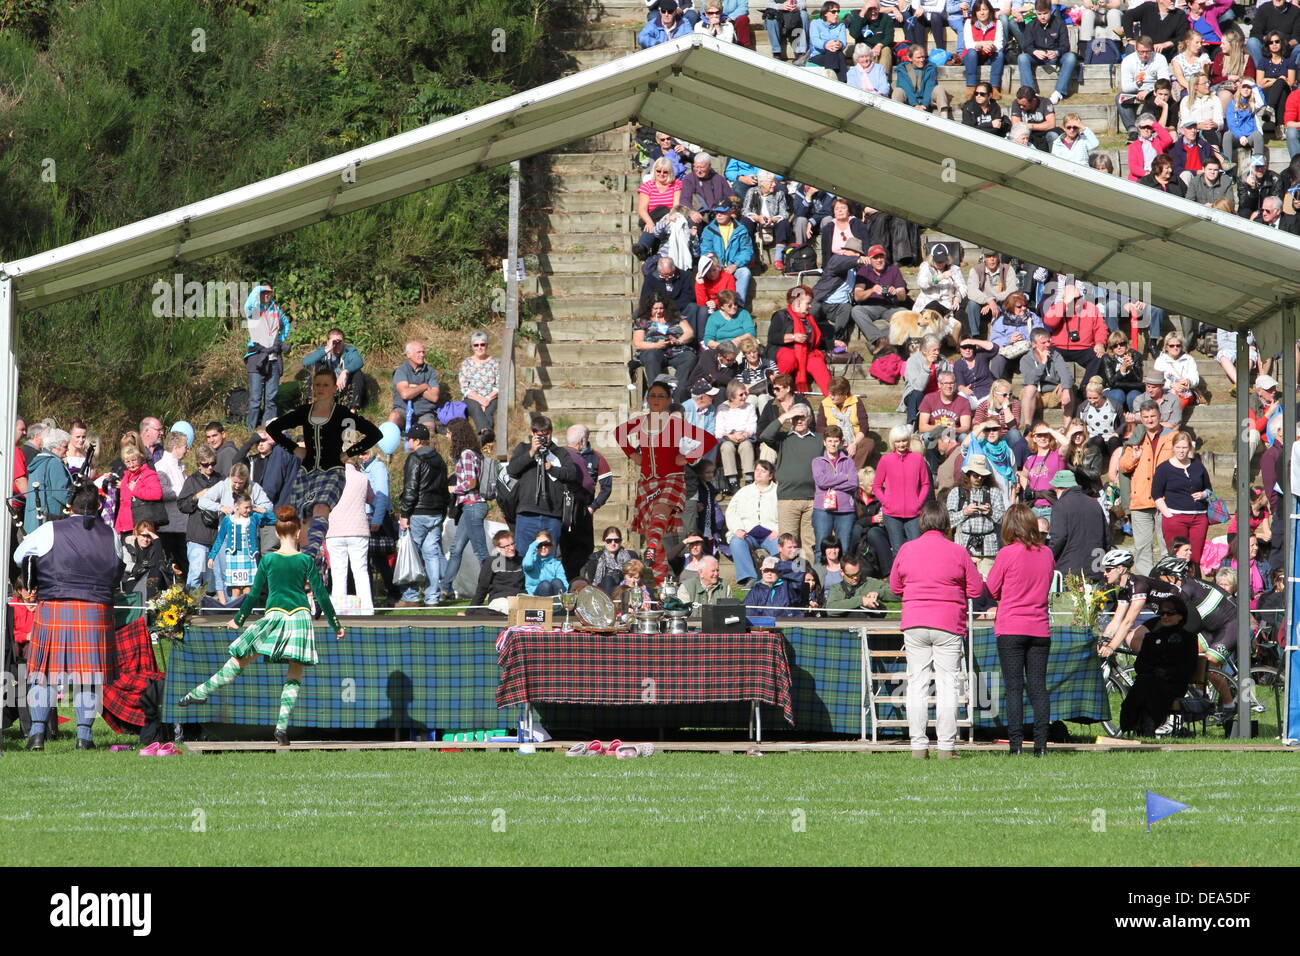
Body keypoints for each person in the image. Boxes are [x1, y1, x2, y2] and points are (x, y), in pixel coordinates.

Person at [179, 505, 343, 746]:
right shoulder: (306, 560)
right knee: (294, 675)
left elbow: (254, 594)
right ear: (298, 532)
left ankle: (200, 692)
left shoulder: (269, 560)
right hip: (299, 619)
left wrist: (238, 619)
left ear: (277, 533)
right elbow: (321, 594)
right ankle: (281, 728)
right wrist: (335, 624)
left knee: (239, 659)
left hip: (274, 617)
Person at [16, 486, 124, 750]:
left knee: (44, 674)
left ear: (70, 507)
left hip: (54, 606)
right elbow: (122, 566)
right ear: (99, 508)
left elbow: (21, 556)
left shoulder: (50, 529)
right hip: (96, 612)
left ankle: (37, 736)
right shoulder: (111, 534)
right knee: (89, 677)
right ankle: (84, 738)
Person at [890, 500, 984, 759]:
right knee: (947, 686)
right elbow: (976, 590)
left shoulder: (907, 549)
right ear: (945, 522)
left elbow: (895, 587)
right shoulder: (958, 552)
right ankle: (946, 746)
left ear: (922, 522)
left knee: (917, 684)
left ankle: (918, 746)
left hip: (915, 622)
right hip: (947, 623)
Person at [268, 365, 383, 559]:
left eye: (325, 384)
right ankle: (309, 559)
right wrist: (294, 448)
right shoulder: (305, 412)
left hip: (332, 470)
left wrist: (349, 454)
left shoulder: (340, 414)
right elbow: (274, 429)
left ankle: (312, 552)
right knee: (303, 517)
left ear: (334, 388)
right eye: (317, 385)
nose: (320, 388)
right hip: (307, 470)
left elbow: (374, 433)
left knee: (321, 506)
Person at [614, 382, 718, 583]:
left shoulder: (678, 426)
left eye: (661, 398)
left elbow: (709, 440)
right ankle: (662, 587)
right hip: (647, 482)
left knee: (661, 511)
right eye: (653, 397)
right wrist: (635, 456)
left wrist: (686, 458)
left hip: (672, 478)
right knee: (660, 533)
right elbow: (619, 433)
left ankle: (652, 548)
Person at [986, 502, 1056, 755]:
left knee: (1014, 687)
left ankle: (1015, 745)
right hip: (1039, 627)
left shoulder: (1007, 553)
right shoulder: (1046, 553)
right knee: (1038, 686)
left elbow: (992, 588)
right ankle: (1041, 745)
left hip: (1011, 626)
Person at [1119, 595, 1198, 735]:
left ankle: (1143, 726)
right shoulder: (1152, 637)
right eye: (1162, 613)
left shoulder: (1188, 638)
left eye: (1170, 613)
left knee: (1149, 686)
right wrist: (1154, 671)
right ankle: (1139, 726)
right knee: (1145, 684)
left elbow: (1188, 666)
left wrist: (1166, 673)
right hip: (1150, 680)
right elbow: (1140, 665)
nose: (1165, 616)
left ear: (1180, 616)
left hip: (1174, 683)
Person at [759, 402, 824, 562]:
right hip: (788, 499)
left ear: (809, 419)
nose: (799, 421)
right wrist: (785, 416)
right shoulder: (782, 439)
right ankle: (792, 579)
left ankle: (808, 581)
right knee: (790, 544)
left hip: (813, 498)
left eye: (802, 417)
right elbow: (765, 435)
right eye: (795, 417)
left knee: (809, 543)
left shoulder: (819, 440)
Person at [395, 423, 449, 608]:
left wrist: (404, 514)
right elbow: (444, 490)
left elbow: (411, 489)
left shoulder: (415, 459)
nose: (407, 441)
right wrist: (442, 514)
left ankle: (411, 597)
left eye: (409, 438)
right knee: (432, 555)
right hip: (435, 513)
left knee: (410, 553)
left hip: (417, 512)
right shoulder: (439, 459)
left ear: (417, 440)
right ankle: (432, 597)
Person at [1119, 401, 1175, 573]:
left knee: (1167, 546)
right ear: (1141, 419)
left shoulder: (1172, 437)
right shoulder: (1136, 438)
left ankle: (1168, 583)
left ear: (1160, 416)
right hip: (1141, 500)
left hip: (1165, 500)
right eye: (1146, 417)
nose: (1150, 420)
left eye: (1153, 416)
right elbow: (1123, 466)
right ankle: (1146, 584)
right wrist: (1134, 458)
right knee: (1142, 547)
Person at [1152, 430, 1211, 570]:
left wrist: (1203, 495)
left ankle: (1194, 587)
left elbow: (1209, 490)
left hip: (1199, 518)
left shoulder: (1198, 466)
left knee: (1195, 558)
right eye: (1178, 447)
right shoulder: (1164, 469)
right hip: (1175, 518)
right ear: (1173, 447)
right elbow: (1156, 495)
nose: (1181, 451)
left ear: (1190, 448)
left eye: (1184, 447)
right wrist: (1169, 515)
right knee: (1177, 558)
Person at [325, 454, 375, 615]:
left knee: (338, 572)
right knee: (361, 571)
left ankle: (340, 609)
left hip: (335, 529)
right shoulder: (362, 477)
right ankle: (367, 609)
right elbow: (371, 499)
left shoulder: (329, 476)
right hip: (358, 529)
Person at [875, 424, 931, 556]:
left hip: (914, 514)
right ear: (893, 442)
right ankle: (898, 577)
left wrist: (918, 503)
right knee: (898, 551)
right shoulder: (885, 460)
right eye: (898, 441)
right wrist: (886, 502)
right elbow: (876, 486)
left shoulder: (918, 459)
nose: (901, 444)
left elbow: (926, 484)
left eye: (904, 440)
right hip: (892, 514)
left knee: (917, 550)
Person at [208, 494, 272, 605]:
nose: (249, 510)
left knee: (248, 588)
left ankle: (249, 615)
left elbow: (272, 519)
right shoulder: (228, 519)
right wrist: (211, 557)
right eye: (246, 507)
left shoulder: (254, 517)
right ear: (237, 506)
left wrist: (260, 510)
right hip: (234, 556)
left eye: (250, 507)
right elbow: (219, 539)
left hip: (249, 556)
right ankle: (235, 614)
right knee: (236, 590)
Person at [768, 285, 832, 396]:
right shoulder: (781, 315)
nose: (810, 306)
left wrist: (832, 343)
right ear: (797, 302)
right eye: (808, 303)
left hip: (806, 352)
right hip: (784, 350)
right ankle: (774, 388)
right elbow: (772, 337)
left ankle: (832, 396)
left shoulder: (809, 319)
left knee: (817, 362)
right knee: (789, 358)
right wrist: (793, 337)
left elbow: (813, 341)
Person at [726, 458, 781, 586]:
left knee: (781, 544)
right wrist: (737, 529)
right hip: (748, 534)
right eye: (757, 470)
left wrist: (779, 529)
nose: (758, 473)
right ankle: (749, 578)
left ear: (771, 475)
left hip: (771, 534)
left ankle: (778, 576)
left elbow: (786, 513)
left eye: (763, 471)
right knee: (736, 542)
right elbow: (731, 512)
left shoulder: (779, 492)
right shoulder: (743, 492)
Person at [243, 282, 290, 430]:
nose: (267, 294)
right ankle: (250, 428)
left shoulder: (275, 308)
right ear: (259, 293)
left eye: (270, 292)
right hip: (257, 357)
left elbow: (286, 324)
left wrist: (280, 340)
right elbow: (248, 305)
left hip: (274, 357)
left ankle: (268, 426)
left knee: (271, 398)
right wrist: (259, 289)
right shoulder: (255, 310)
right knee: (255, 399)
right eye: (264, 292)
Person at [946, 455, 1005, 573]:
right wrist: (965, 512)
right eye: (975, 475)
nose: (979, 478)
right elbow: (947, 521)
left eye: (982, 476)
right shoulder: (956, 492)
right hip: (963, 545)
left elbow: (1003, 520)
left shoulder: (994, 492)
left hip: (988, 547)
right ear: (968, 474)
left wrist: (990, 512)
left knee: (987, 584)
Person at [1048, 469, 1108, 579]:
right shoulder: (1095, 504)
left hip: (1070, 569)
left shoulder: (1060, 506)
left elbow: (1058, 537)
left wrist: (1047, 556)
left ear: (1059, 488)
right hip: (1095, 568)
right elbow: (1106, 538)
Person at [178, 446, 223, 591]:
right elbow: (182, 505)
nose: (210, 467)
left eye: (213, 463)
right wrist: (197, 496)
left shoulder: (221, 480)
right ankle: (192, 607)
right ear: (198, 464)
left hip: (217, 535)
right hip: (197, 535)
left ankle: (213, 609)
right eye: (205, 464)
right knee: (196, 574)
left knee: (214, 578)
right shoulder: (192, 481)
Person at [1017, 0, 1078, 106]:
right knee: (1022, 58)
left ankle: (1058, 92)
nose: (1042, 17)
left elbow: (1065, 46)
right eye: (1039, 14)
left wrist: (1057, 52)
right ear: (1035, 13)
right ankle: (1030, 93)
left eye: (1045, 13)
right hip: (1037, 57)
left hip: (1055, 56)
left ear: (1051, 11)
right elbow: (1026, 46)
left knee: (1071, 57)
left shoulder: (1059, 23)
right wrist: (1034, 51)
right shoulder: (1031, 25)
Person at [811, 426, 858, 561]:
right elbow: (822, 482)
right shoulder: (817, 462)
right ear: (824, 442)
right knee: (821, 547)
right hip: (823, 509)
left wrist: (832, 483)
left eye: (836, 441)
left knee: (844, 548)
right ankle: (820, 579)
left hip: (845, 510)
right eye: (830, 441)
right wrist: (844, 477)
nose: (833, 444)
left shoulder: (848, 461)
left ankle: (843, 579)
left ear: (841, 442)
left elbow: (854, 483)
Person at [633, 295, 698, 392]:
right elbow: (638, 343)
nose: (659, 311)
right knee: (652, 355)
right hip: (653, 350)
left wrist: (678, 340)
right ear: (649, 308)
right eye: (655, 308)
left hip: (675, 351)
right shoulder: (642, 320)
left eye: (661, 308)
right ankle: (658, 391)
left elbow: (689, 333)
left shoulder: (675, 317)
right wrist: (656, 345)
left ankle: (678, 391)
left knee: (689, 357)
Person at [299, 328, 366, 412]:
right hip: (326, 388)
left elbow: (359, 361)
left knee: (358, 373)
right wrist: (327, 349)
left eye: (339, 342)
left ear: (343, 342)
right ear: (328, 342)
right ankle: (310, 405)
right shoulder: (323, 351)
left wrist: (345, 371)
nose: (337, 345)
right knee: (313, 367)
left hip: (344, 388)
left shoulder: (349, 350)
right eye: (334, 342)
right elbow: (306, 362)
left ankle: (352, 410)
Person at [1019, 328, 1075, 427]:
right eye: (1043, 343)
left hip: (1054, 394)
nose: (1048, 345)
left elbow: (1065, 373)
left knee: (1067, 387)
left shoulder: (1055, 355)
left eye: (1049, 341)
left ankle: (1067, 427)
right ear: (1033, 344)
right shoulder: (1026, 359)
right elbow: (1030, 380)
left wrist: (1066, 389)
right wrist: (1042, 363)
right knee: (1029, 389)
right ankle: (1027, 427)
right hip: (1037, 397)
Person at [715, 378, 758, 494]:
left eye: (745, 394)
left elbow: (752, 426)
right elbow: (718, 431)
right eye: (741, 395)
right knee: (727, 447)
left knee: (746, 445)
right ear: (732, 397)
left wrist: (745, 434)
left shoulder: (750, 407)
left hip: (745, 436)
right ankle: (732, 480)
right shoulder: (722, 408)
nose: (744, 397)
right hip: (728, 437)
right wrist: (730, 436)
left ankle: (749, 478)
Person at [24, 426, 71, 532]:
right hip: (49, 521)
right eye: (65, 446)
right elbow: (61, 493)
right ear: (55, 446)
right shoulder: (55, 463)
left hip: (32, 520)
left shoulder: (38, 461)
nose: (67, 449)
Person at [113, 444, 163, 539]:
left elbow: (157, 494)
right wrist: (117, 528)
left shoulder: (148, 474)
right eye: (127, 462)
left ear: (140, 459)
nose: (131, 464)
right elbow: (123, 505)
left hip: (141, 527)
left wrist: (136, 490)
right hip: (125, 528)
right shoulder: (126, 477)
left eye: (134, 460)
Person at [388, 341, 441, 432]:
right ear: (409, 354)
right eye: (418, 352)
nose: (422, 355)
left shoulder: (430, 372)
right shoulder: (401, 370)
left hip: (424, 412)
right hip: (403, 410)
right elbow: (405, 394)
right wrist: (423, 386)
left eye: (423, 352)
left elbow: (434, 397)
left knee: (428, 432)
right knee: (393, 417)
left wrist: (413, 387)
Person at [470, 531, 525, 615]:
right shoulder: (491, 562)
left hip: (520, 598)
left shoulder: (522, 561)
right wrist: (469, 612)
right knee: (507, 607)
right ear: (498, 548)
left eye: (512, 544)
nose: (511, 548)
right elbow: (482, 588)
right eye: (507, 546)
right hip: (500, 600)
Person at [892, 43, 952, 117]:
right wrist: (915, 104)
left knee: (939, 88)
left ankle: (944, 119)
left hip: (927, 98)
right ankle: (896, 118)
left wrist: (924, 105)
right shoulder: (902, 69)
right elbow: (906, 87)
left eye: (923, 57)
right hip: (910, 99)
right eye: (918, 57)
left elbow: (929, 86)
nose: (922, 60)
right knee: (897, 91)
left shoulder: (930, 67)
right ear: (910, 58)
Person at [457, 331, 500, 433]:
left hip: (491, 397)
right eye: (476, 345)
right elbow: (464, 388)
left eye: (482, 344)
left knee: (488, 411)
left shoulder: (495, 363)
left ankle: (484, 435)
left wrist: (487, 399)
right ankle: (486, 431)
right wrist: (480, 400)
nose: (479, 347)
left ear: (487, 345)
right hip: (472, 397)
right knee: (477, 409)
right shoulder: (466, 363)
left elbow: (499, 385)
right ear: (472, 347)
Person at [583, 527, 641, 594]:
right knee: (608, 579)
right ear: (604, 542)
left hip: (626, 590)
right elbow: (592, 580)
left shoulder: (631, 556)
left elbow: (638, 576)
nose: (613, 543)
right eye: (609, 541)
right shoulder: (595, 558)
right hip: (603, 592)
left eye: (616, 540)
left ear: (621, 541)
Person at [523, 531, 568, 597]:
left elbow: (563, 582)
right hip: (535, 595)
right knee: (545, 585)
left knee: (557, 582)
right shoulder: (531, 560)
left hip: (553, 594)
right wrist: (534, 544)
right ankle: (545, 606)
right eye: (540, 545)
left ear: (551, 546)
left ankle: (560, 605)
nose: (543, 547)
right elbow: (527, 565)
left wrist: (568, 593)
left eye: (546, 544)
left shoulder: (556, 564)